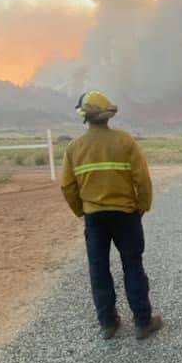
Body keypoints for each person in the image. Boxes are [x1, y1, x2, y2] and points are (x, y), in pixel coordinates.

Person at [60, 90, 162, 341]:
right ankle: (142, 322)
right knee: (133, 266)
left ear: (85, 118)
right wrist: (142, 206)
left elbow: (68, 187)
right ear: (108, 116)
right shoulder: (125, 142)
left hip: (94, 218)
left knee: (99, 269)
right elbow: (142, 180)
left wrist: (81, 211)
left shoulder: (74, 148)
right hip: (126, 216)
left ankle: (108, 324)